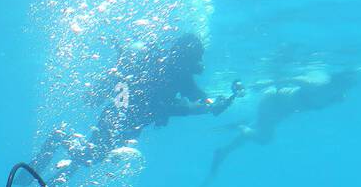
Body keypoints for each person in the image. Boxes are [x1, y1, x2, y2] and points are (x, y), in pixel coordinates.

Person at [39, 33, 244, 171]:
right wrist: (202, 108)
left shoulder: (181, 75)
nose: (198, 63)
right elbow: (163, 107)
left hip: (132, 123)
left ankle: (68, 163)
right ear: (184, 55)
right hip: (119, 115)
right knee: (92, 156)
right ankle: (60, 137)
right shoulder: (160, 69)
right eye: (195, 57)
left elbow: (198, 96)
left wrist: (215, 103)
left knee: (94, 155)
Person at [202, 66, 361, 184]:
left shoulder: (337, 95)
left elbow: (337, 96)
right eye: (347, 84)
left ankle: (225, 150)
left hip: (283, 110)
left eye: (350, 86)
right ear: (340, 81)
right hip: (273, 101)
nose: (348, 88)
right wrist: (263, 84)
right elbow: (292, 79)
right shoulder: (318, 85)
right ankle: (239, 127)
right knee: (264, 138)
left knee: (258, 132)